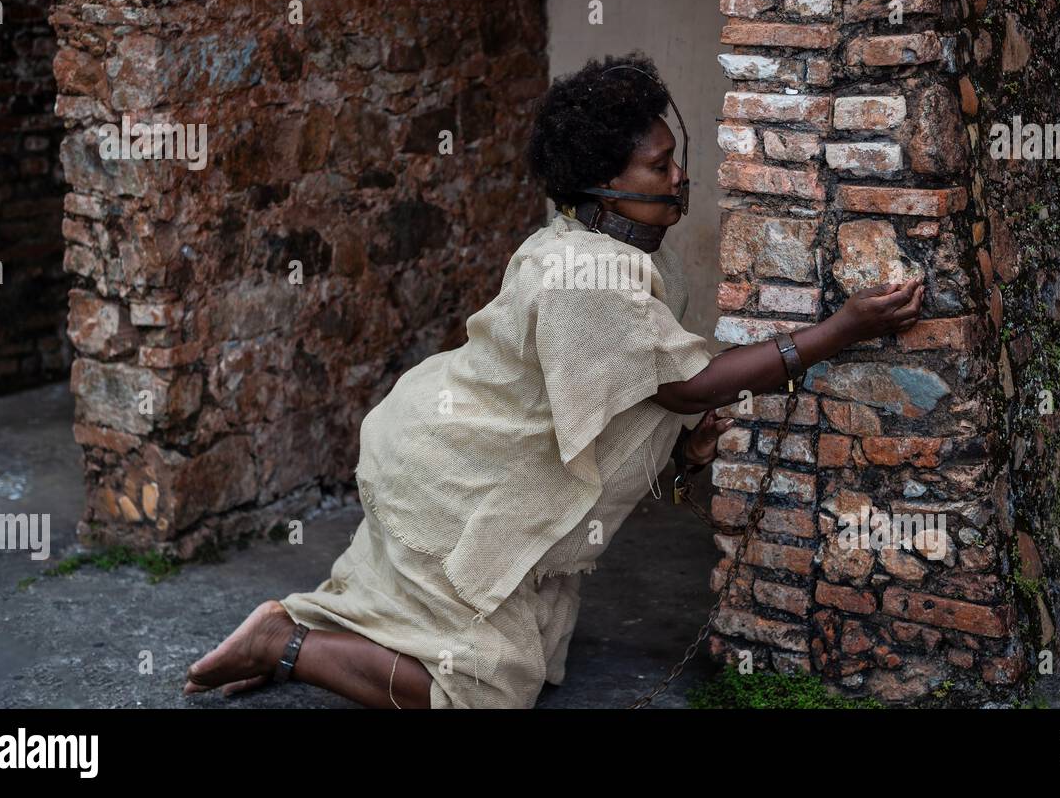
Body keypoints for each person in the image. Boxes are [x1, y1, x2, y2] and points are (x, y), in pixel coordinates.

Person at [182, 52, 924, 708]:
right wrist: (841, 331)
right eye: (659, 166)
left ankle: (304, 630)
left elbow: (625, 396)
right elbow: (687, 388)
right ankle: (286, 646)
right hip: (454, 476)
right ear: (606, 182)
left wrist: (680, 455)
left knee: (504, 655)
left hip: (452, 453)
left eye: (674, 159)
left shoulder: (607, 251)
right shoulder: (584, 271)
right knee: (482, 693)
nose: (679, 176)